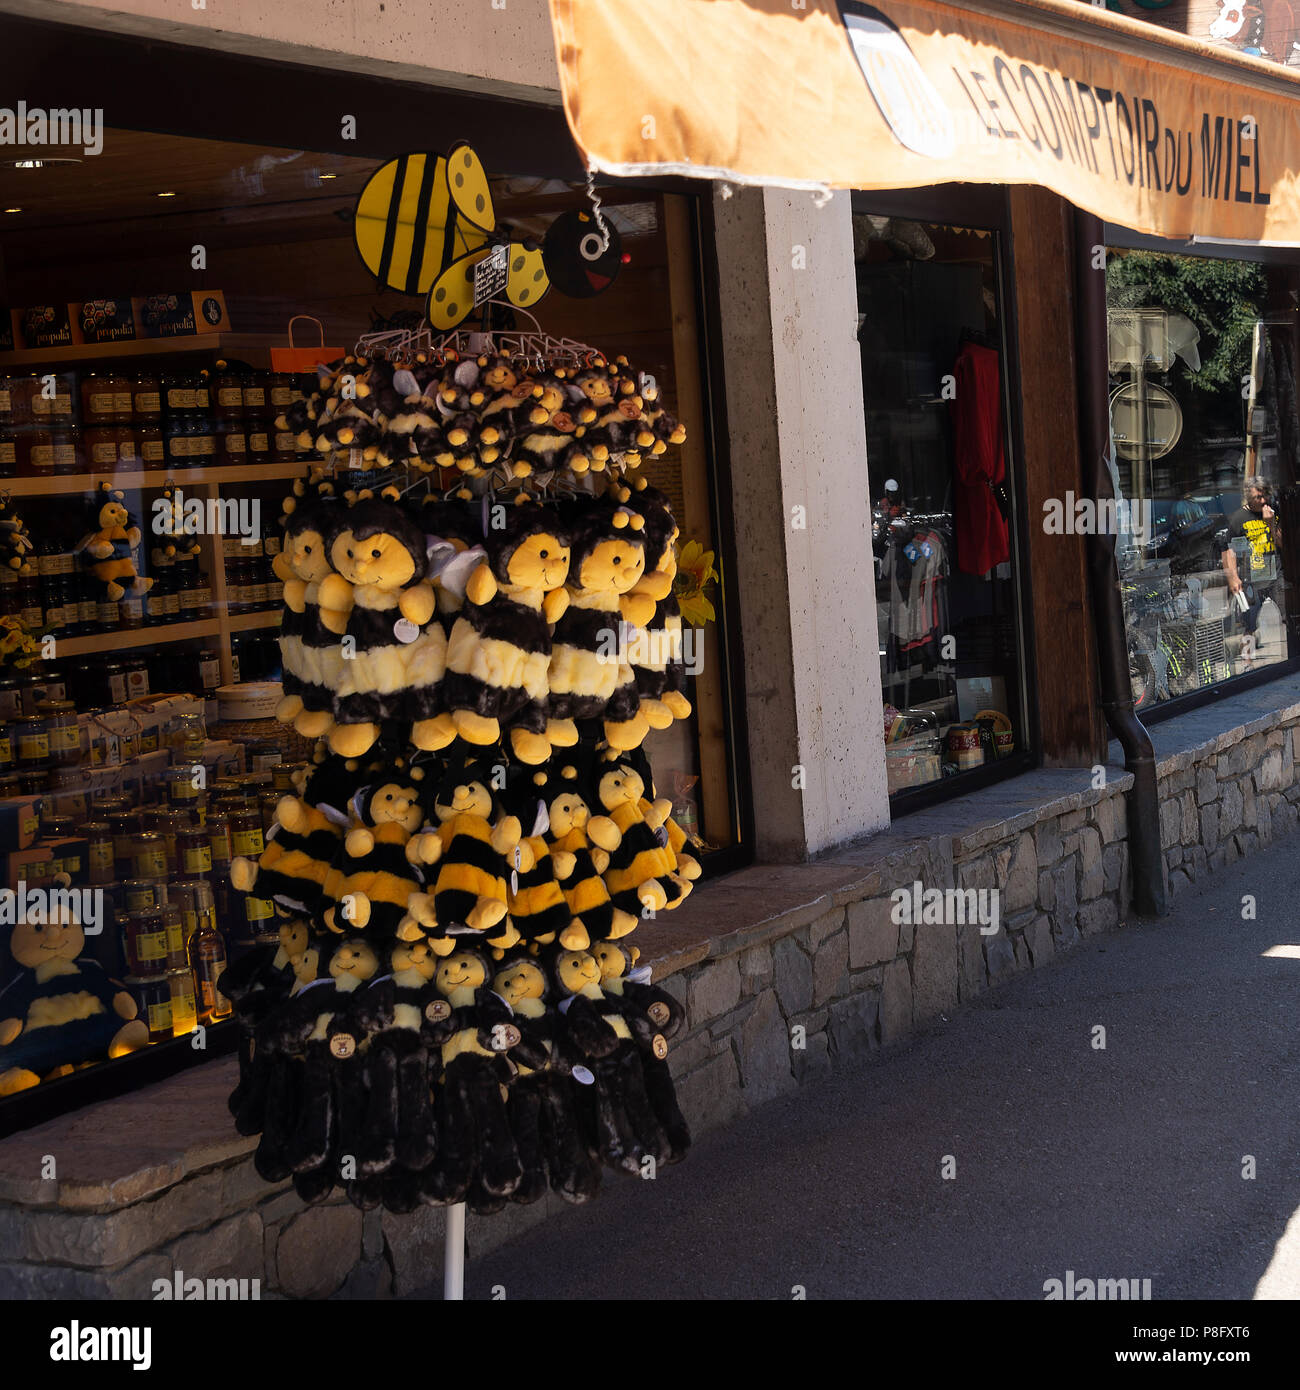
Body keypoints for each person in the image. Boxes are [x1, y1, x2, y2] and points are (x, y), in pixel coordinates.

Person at [1219, 476, 1282, 640]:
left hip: (1277, 575)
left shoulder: (1275, 512)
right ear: (1248, 497)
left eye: (1265, 496)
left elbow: (1285, 544)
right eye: (1257, 497)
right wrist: (1233, 577)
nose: (1263, 501)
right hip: (1252, 579)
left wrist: (1271, 525)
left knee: (1290, 617)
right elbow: (1228, 550)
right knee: (1249, 625)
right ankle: (1248, 663)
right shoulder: (1238, 518)